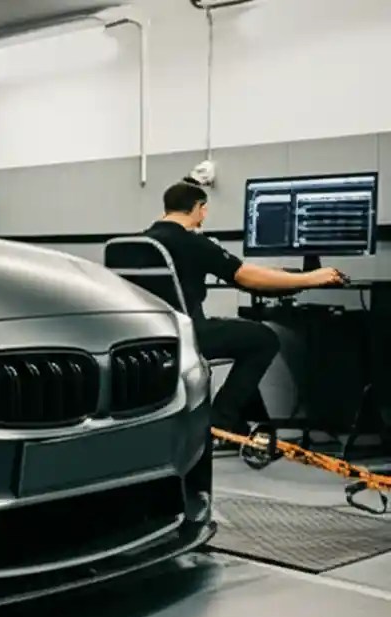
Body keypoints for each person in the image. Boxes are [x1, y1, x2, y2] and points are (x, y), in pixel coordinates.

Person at [143, 181, 344, 435]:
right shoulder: (192, 243)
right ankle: (220, 421)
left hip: (148, 339)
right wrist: (311, 278)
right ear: (200, 209)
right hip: (188, 337)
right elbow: (246, 277)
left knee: (243, 334)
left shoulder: (139, 242)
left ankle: (237, 424)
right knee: (263, 339)